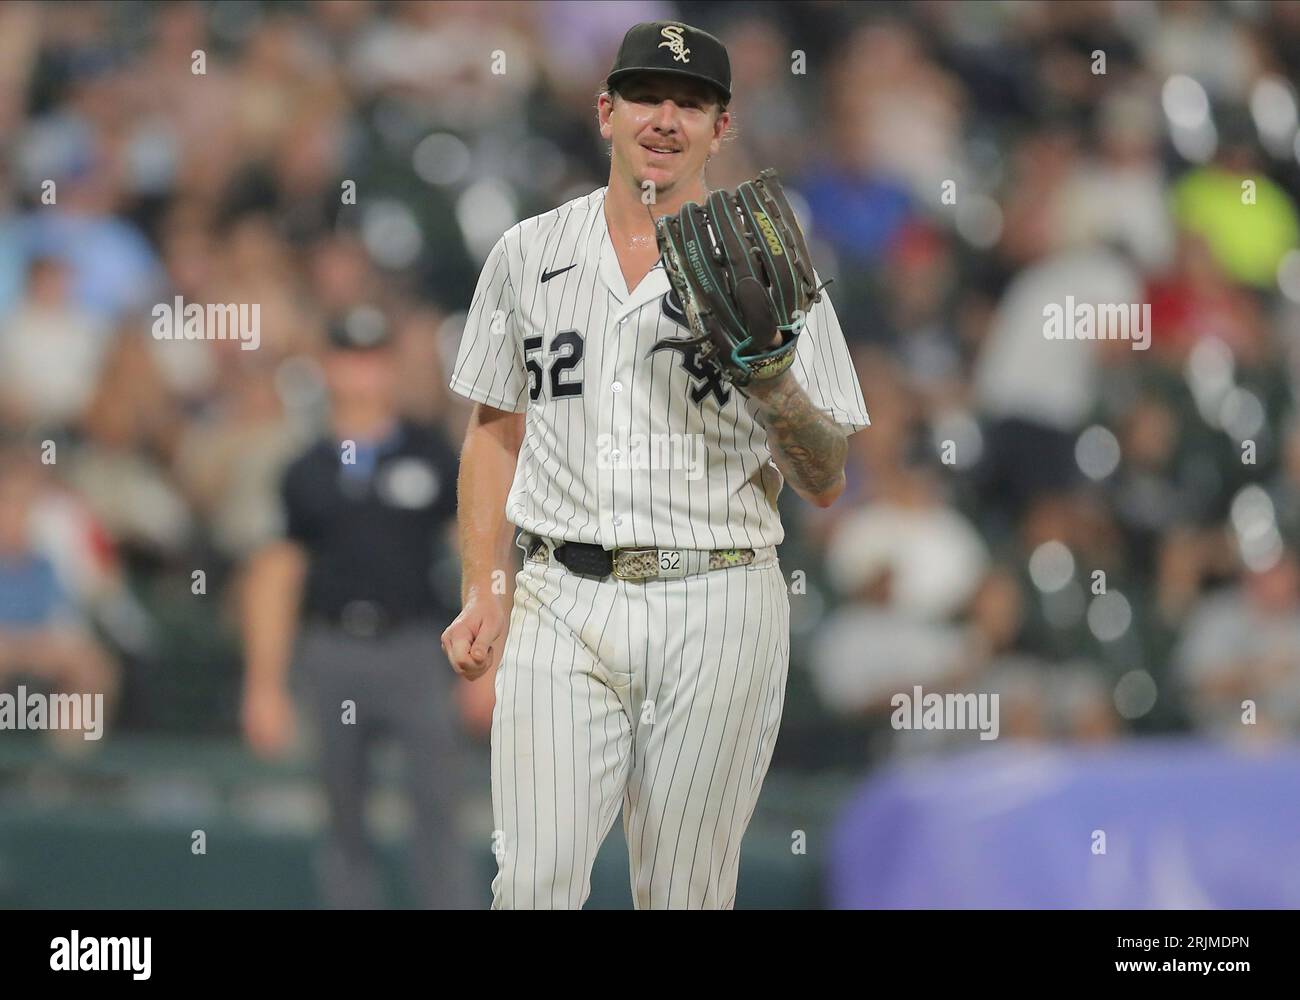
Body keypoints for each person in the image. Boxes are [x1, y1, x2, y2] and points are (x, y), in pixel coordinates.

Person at [442, 21, 869, 909]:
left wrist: (777, 387)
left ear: (724, 127)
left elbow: (826, 476)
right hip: (562, 594)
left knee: (683, 894)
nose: (665, 118)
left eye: (692, 103)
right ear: (606, 112)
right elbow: (492, 430)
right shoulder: (528, 254)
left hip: (717, 597)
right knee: (530, 883)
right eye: (646, 96)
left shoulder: (778, 267)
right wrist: (486, 585)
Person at [240, 308, 474, 908]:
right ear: (327, 367)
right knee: (342, 816)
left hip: (417, 648)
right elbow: (277, 574)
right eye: (349, 358)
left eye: (373, 358)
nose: (361, 374)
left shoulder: (431, 454)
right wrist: (264, 683)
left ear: (392, 367)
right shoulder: (306, 471)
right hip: (332, 649)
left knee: (438, 809)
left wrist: (489, 663)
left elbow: (475, 552)